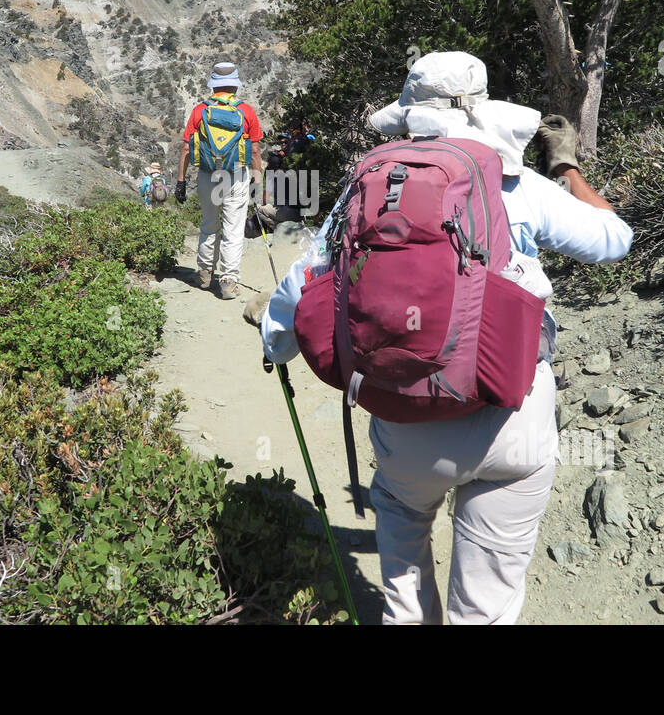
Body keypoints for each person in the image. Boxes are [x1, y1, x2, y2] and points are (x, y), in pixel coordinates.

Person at [260, 51, 633, 625]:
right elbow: (614, 239)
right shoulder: (515, 181)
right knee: (485, 607)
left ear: (408, 111)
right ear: (482, 107)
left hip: (403, 419)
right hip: (509, 413)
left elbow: (302, 282)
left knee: (405, 590)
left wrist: (275, 343)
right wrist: (566, 168)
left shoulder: (370, 187)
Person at [174, 62, 264, 299]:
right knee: (233, 229)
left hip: (207, 175)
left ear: (213, 84)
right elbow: (255, 150)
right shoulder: (246, 111)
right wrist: (257, 181)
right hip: (235, 176)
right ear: (235, 84)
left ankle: (204, 273)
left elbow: (185, 148)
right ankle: (228, 281)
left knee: (209, 224)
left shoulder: (199, 111)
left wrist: (181, 181)